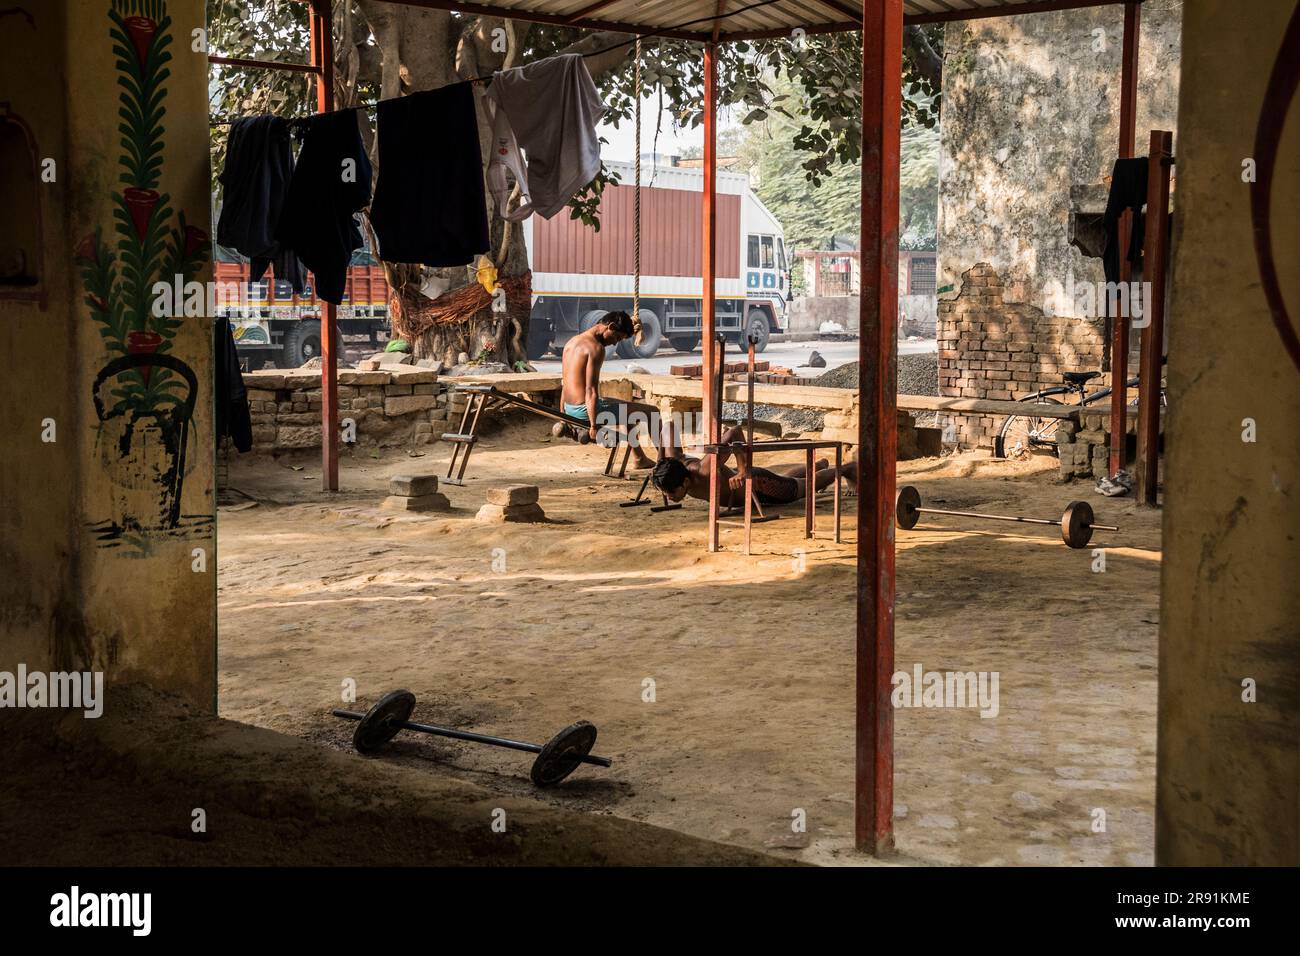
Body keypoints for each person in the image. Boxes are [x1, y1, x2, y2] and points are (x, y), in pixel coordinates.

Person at [650, 419, 856, 508]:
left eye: (671, 494)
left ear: (685, 482)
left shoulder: (706, 468)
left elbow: (734, 432)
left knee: (800, 489)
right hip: (749, 486)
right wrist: (659, 464)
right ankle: (819, 465)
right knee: (787, 479)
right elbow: (667, 427)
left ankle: (847, 469)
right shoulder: (673, 463)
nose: (669, 497)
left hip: (758, 486)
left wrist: (742, 471)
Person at [557, 310, 658, 468]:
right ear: (610, 326)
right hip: (585, 409)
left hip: (570, 408)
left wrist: (563, 414)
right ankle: (668, 462)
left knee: (625, 408)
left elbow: (565, 382)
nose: (614, 343)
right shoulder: (595, 348)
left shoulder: (572, 342)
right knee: (653, 412)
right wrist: (593, 426)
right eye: (617, 337)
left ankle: (639, 458)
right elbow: (591, 390)